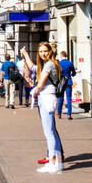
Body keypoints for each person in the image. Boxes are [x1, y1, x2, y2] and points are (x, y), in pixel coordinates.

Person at [31, 43, 64, 173]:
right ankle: (58, 162)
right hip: (50, 97)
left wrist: (35, 91)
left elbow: (41, 82)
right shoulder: (54, 63)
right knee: (52, 131)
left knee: (49, 132)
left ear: (50, 51)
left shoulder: (49, 64)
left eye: (45, 51)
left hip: (46, 97)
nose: (43, 54)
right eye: (40, 51)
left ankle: (52, 163)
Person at [55, 50, 75, 119]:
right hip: (68, 81)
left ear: (61, 56)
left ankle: (59, 113)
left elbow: (56, 73)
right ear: (66, 55)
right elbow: (74, 73)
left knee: (61, 98)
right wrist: (70, 74)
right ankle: (69, 114)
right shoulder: (70, 63)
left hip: (61, 82)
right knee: (69, 98)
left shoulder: (59, 63)